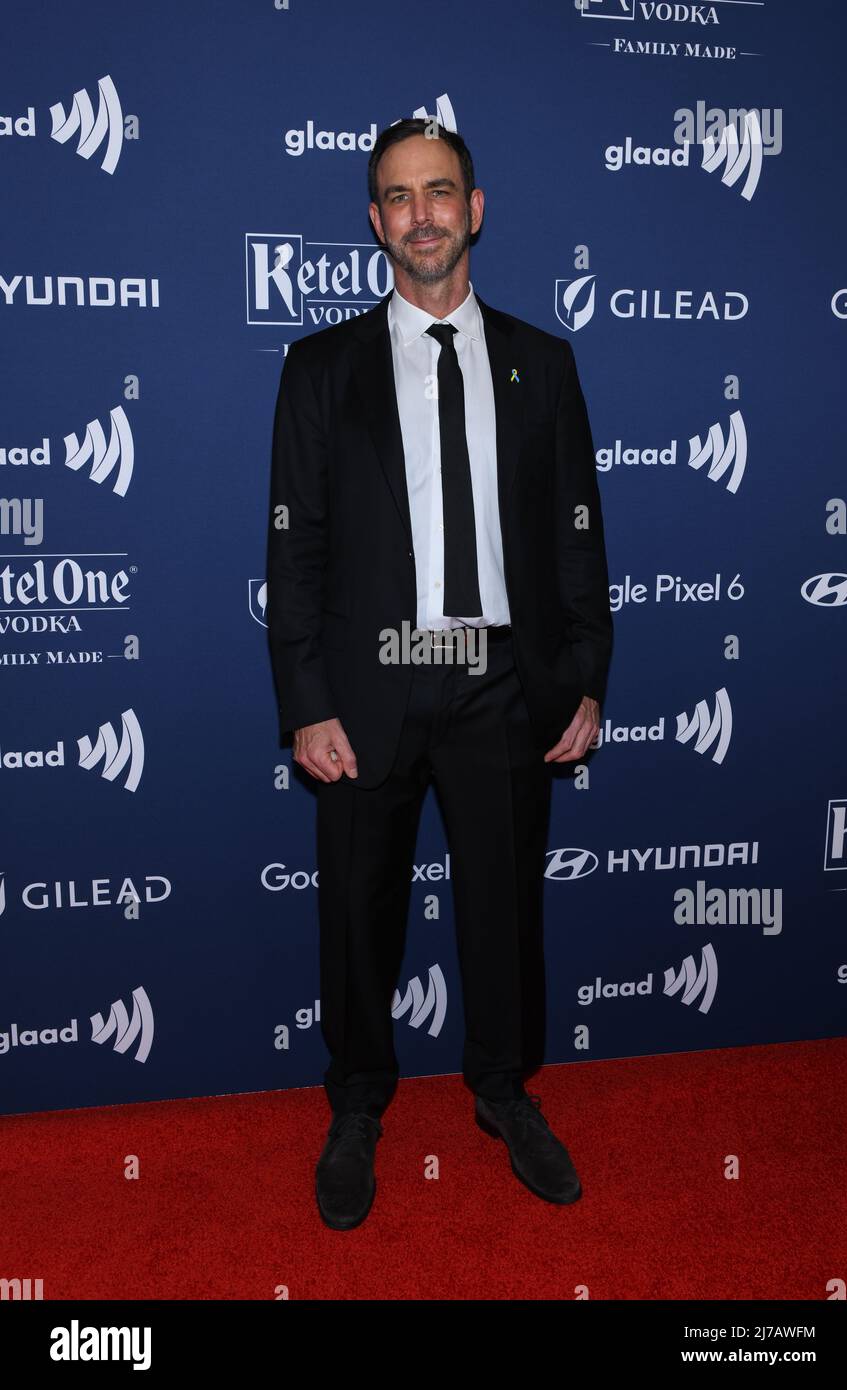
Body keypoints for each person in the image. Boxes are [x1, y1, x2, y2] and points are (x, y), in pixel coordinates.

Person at [266, 117, 613, 1230]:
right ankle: (359, 1103)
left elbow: (574, 540)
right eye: (397, 195)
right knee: (357, 911)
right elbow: (295, 548)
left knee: (504, 906)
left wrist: (583, 676)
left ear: (474, 209)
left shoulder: (542, 360)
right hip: (369, 684)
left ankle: (504, 1090)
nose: (419, 212)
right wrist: (306, 700)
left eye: (438, 191)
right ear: (375, 223)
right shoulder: (320, 368)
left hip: (502, 679)